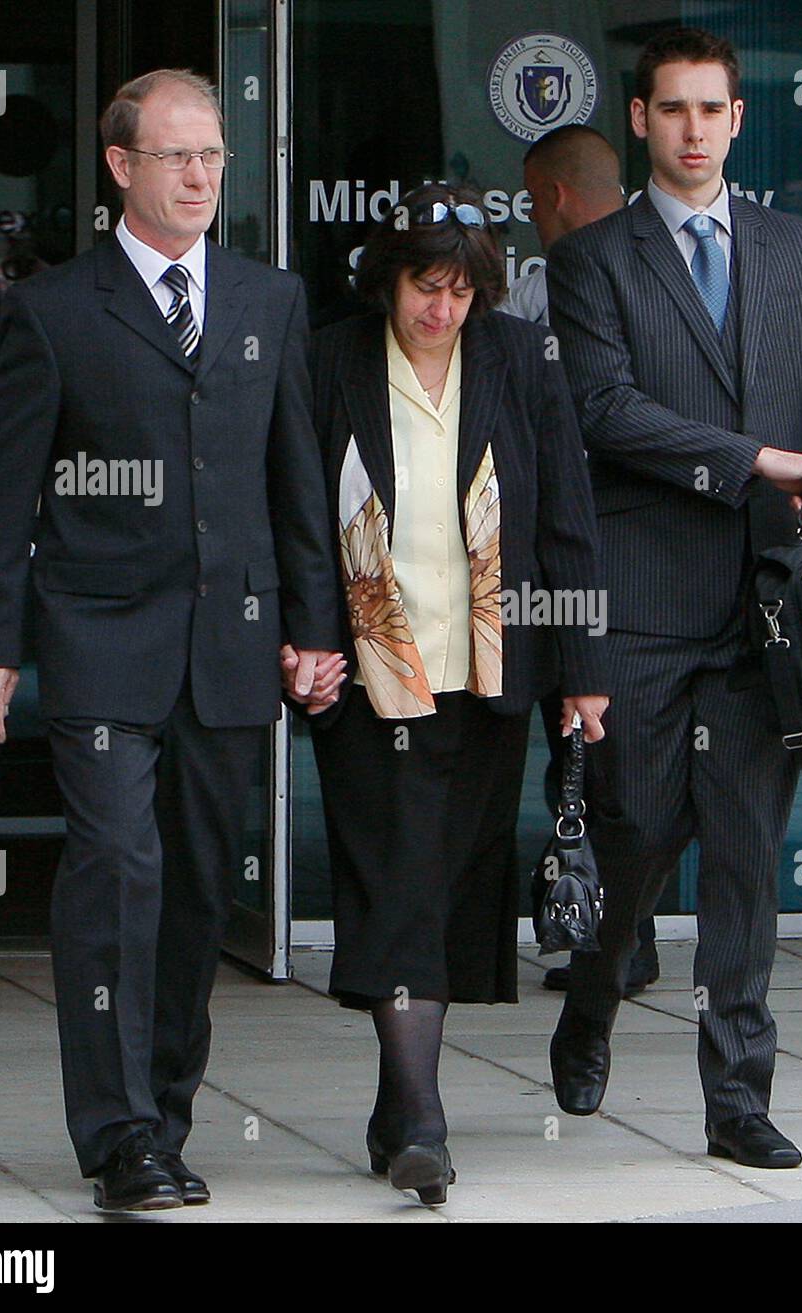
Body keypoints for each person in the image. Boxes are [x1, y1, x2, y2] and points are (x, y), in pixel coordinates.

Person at [0, 69, 343, 1213]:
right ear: (121, 167)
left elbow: (295, 484)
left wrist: (315, 627)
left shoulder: (270, 301)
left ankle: (164, 1115)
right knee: (117, 873)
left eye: (214, 155)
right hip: (101, 645)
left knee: (194, 894)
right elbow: (3, 486)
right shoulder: (55, 311)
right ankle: (120, 1134)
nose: (200, 176)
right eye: (176, 156)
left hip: (232, 647)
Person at [546, 27, 802, 1168]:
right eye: (673, 111)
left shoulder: (794, 247)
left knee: (751, 849)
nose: (695, 130)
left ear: (739, 119)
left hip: (770, 601)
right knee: (640, 831)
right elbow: (605, 412)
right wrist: (759, 458)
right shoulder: (593, 260)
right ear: (642, 122)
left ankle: (738, 1095)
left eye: (713, 109)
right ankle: (594, 996)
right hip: (644, 595)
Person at [298, 181, 608, 1206]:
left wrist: (581, 670)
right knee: (390, 879)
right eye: (424, 289)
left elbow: (563, 510)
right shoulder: (330, 357)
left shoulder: (519, 359)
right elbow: (296, 508)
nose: (441, 311)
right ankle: (424, 1121)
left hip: (486, 670)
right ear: (386, 281)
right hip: (370, 666)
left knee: (445, 883)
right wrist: (305, 638)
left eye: (460, 291)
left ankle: (398, 1101)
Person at [500, 124, 660, 997]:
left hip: (603, 550)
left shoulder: (551, 288)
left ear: (553, 197)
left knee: (608, 747)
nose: (532, 217)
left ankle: (616, 932)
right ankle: (606, 925)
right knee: (594, 748)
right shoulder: (662, 274)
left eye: (531, 201)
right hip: (600, 551)